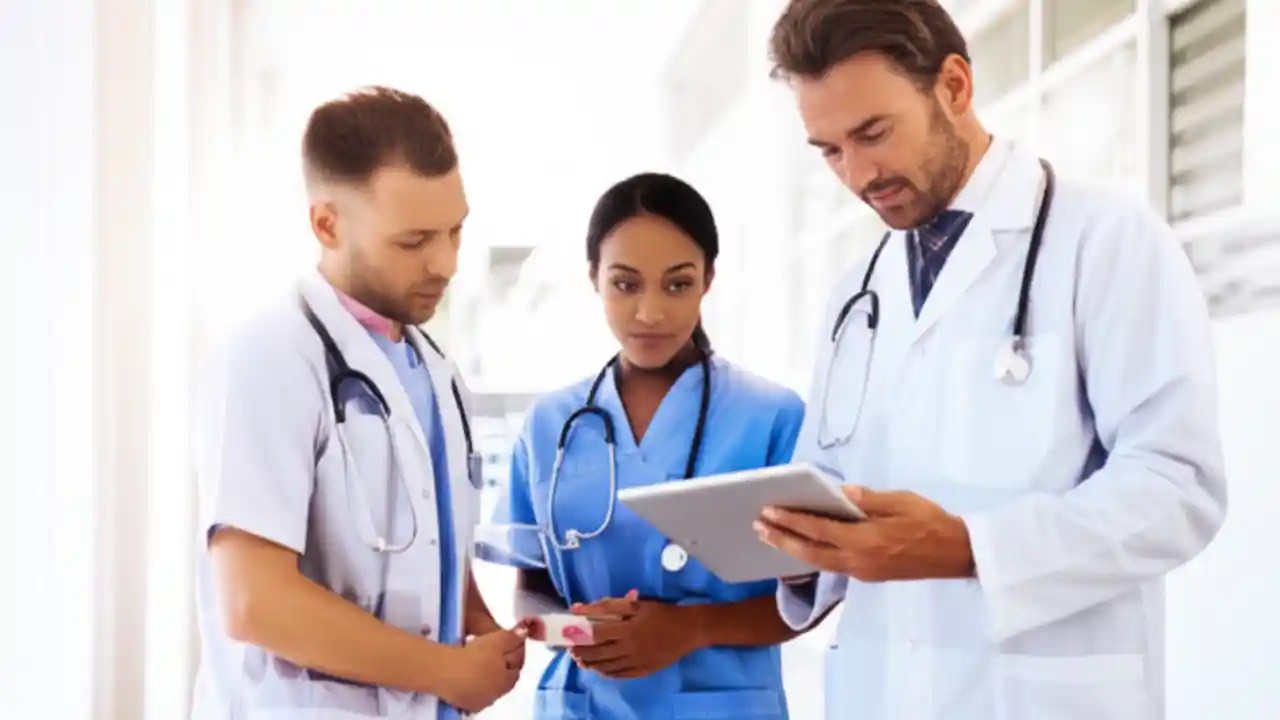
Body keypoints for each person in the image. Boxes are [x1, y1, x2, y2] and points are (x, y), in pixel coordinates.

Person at [752, 2, 1227, 719]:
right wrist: (795, 544)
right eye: (829, 150)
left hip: (1041, 695)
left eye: (873, 133)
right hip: (881, 691)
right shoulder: (856, 294)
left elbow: (1177, 487)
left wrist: (970, 547)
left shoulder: (1106, 237)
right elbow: (841, 481)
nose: (857, 174)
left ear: (953, 86)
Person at [190, 86, 526, 719]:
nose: (445, 263)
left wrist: (478, 619)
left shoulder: (434, 369)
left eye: (456, 230)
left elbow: (422, 547)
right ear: (326, 224)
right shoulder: (270, 358)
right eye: (414, 241)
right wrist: (445, 672)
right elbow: (253, 600)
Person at [482, 173, 807, 719]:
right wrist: (582, 632)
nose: (650, 313)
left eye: (677, 284)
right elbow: (530, 592)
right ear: (594, 278)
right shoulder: (550, 426)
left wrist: (688, 629)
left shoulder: (772, 417)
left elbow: (808, 598)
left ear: (708, 279)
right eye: (626, 284)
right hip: (581, 704)